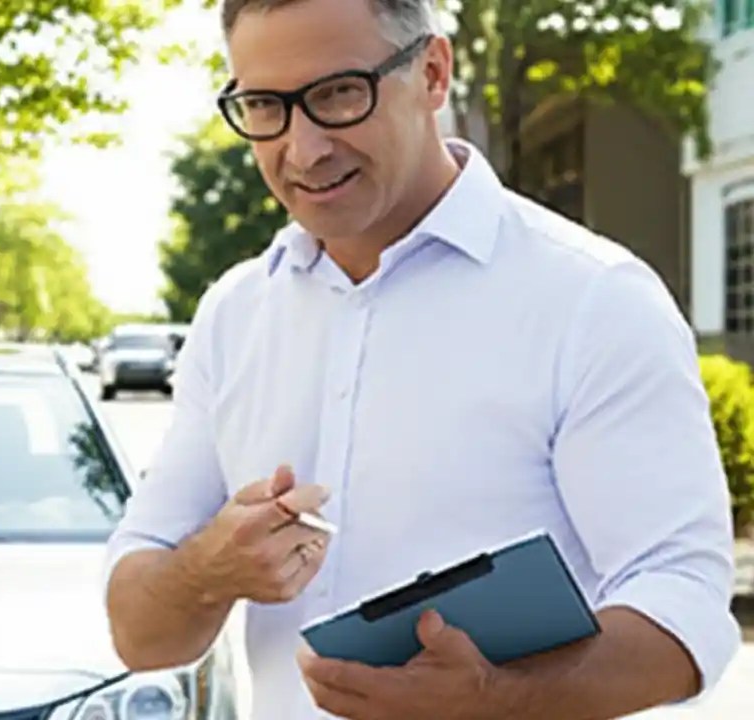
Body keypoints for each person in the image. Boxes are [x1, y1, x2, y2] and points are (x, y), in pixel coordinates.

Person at [101, 0, 741, 718]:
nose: (303, 148)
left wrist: (501, 699)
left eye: (339, 94)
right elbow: (139, 633)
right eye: (263, 105)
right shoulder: (234, 313)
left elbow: (684, 602)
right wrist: (208, 573)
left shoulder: (593, 300)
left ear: (433, 73)